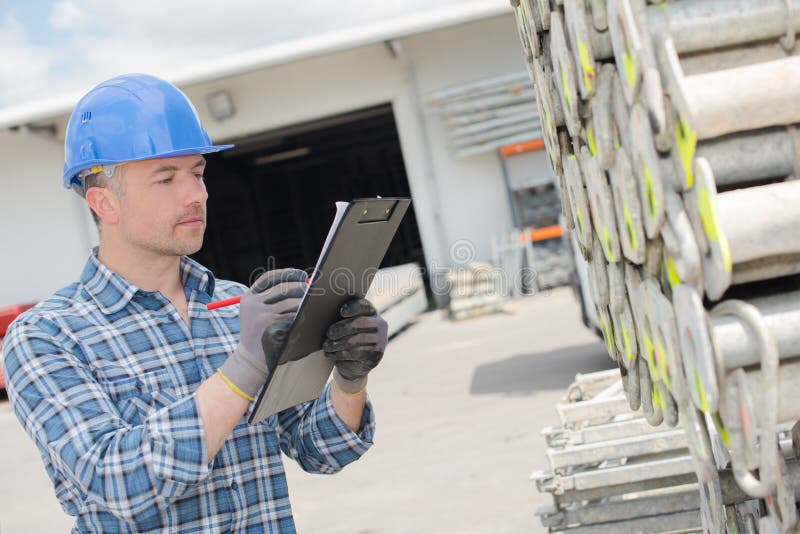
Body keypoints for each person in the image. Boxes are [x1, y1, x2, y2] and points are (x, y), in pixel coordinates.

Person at [1, 73, 388, 533]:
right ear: (104, 203)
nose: (197, 195)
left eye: (198, 173)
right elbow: (115, 484)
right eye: (166, 179)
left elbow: (321, 449)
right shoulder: (49, 336)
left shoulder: (238, 306)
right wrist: (244, 367)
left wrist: (350, 375)